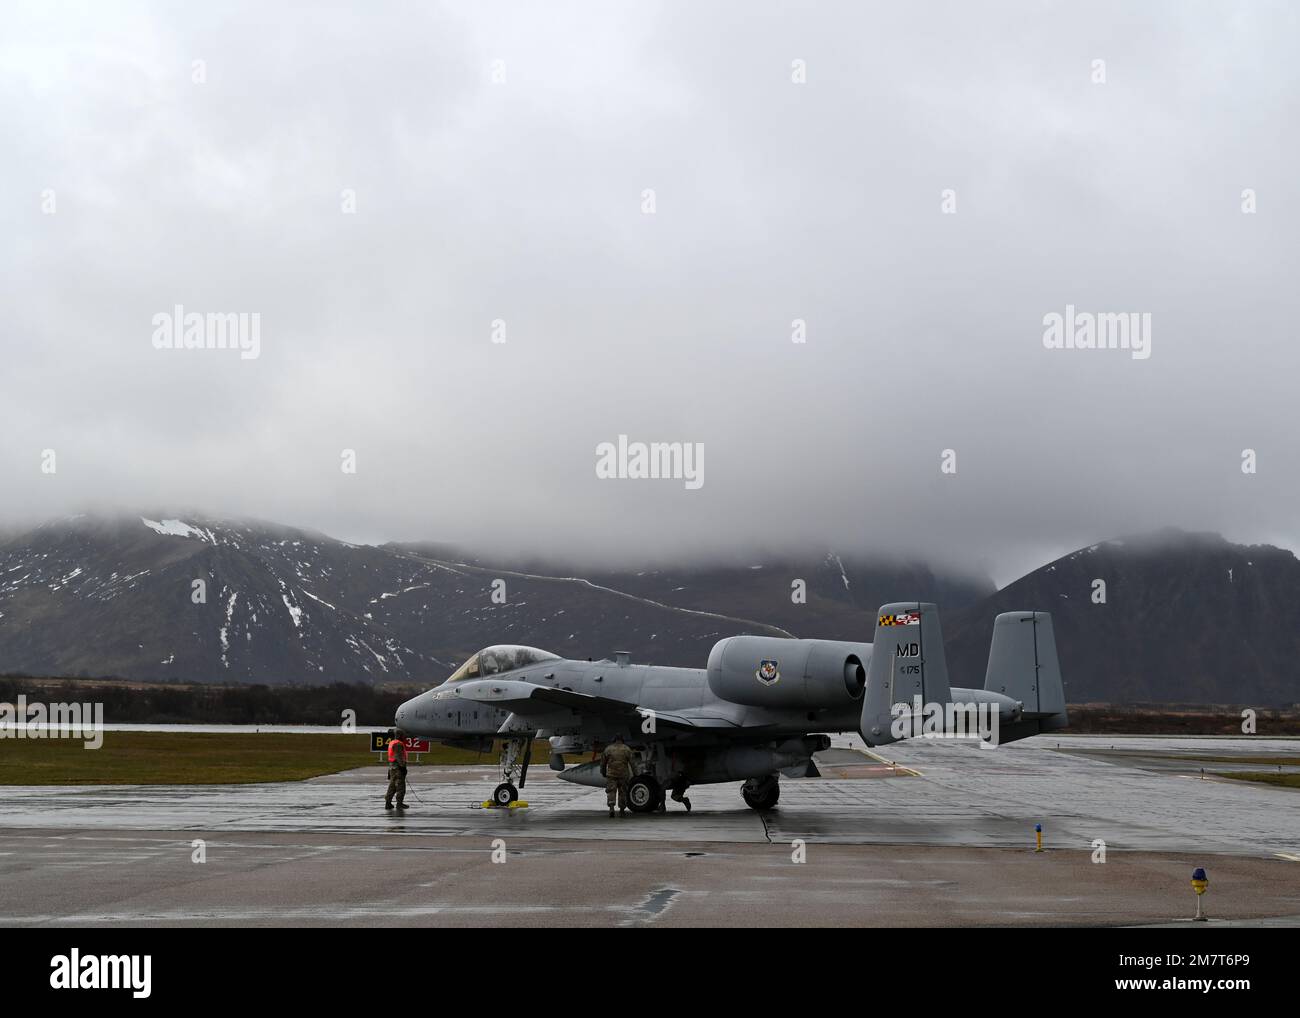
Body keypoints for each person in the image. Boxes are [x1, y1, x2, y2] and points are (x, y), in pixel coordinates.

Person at [600, 734, 635, 817]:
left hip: (611, 774)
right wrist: (636, 773)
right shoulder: (627, 749)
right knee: (623, 792)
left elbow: (603, 763)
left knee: (611, 791)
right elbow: (633, 763)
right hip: (623, 774)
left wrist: (603, 772)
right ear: (622, 740)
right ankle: (622, 810)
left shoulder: (608, 749)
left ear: (614, 740)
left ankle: (611, 808)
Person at [385, 729, 409, 810]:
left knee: (392, 786)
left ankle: (388, 803)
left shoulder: (392, 742)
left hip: (392, 767)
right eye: (403, 735)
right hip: (398, 767)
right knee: (400, 786)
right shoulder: (398, 744)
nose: (404, 737)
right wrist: (403, 767)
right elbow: (399, 756)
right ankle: (399, 803)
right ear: (400, 735)